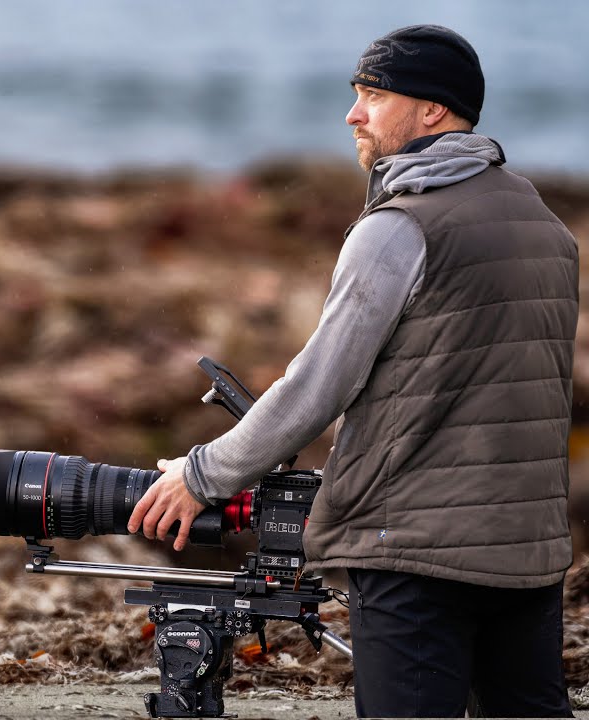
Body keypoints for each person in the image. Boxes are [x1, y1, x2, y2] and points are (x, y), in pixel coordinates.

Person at [127, 24, 578, 718]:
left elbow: (317, 386)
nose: (353, 113)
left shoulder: (401, 225)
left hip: (414, 556)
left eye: (373, 94)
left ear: (432, 110)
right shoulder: (544, 225)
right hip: (528, 553)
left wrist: (202, 474)